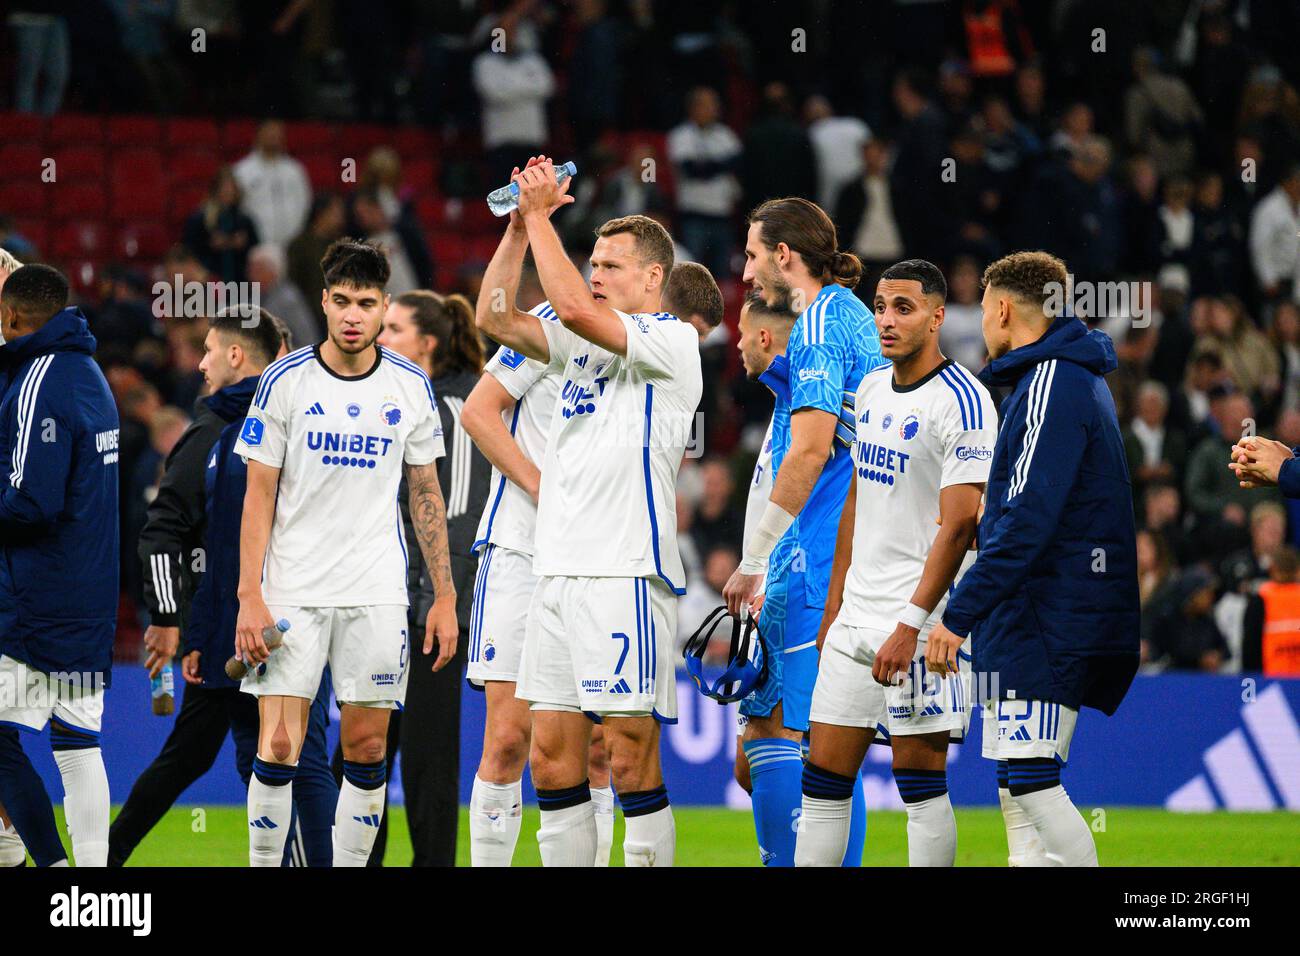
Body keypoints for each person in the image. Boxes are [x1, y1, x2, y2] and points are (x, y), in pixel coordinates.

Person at [475, 156, 715, 866]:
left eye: (612, 265)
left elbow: (577, 307)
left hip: (624, 571)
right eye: (593, 262)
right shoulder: (575, 338)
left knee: (629, 756)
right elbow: (495, 317)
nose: (597, 273)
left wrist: (541, 216)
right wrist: (517, 230)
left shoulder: (672, 341)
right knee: (550, 760)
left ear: (653, 278)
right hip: (555, 571)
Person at [232, 239, 459, 867]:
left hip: (377, 592)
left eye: (366, 303)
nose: (353, 315)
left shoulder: (410, 385)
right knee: (279, 747)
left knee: (367, 749)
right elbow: (258, 495)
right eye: (341, 301)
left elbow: (426, 493)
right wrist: (249, 594)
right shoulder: (284, 380)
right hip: (292, 591)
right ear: (324, 303)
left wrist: (444, 594)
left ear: (384, 306)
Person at [925, 251, 1140, 867]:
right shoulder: (1063, 379)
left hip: (1047, 619)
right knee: (1016, 787)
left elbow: (1027, 520)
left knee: (1034, 783)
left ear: (1001, 309)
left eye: (983, 311)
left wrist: (958, 614)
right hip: (1035, 617)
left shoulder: (1052, 381)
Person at [109, 309, 336, 868]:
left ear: (236, 355)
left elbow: (164, 532)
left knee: (265, 757)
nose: (200, 364)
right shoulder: (250, 428)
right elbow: (176, 536)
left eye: (209, 351)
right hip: (260, 627)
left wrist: (175, 621)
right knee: (282, 756)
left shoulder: (221, 431)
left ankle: (103, 857)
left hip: (263, 629)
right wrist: (181, 623)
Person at [795, 259, 997, 867]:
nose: (887, 320)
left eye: (903, 308)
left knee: (919, 784)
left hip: (921, 625)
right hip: (855, 619)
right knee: (823, 781)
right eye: (881, 307)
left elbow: (959, 526)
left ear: (937, 317)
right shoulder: (871, 389)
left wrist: (911, 626)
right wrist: (833, 608)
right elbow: (857, 498)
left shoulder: (965, 402)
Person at [723, 197, 885, 867]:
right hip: (847, 553)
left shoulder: (818, 321)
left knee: (774, 729)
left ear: (784, 255)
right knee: (817, 739)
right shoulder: (849, 314)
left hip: (812, 558)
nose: (747, 271)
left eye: (753, 254)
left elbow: (813, 449)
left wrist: (753, 559)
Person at [0, 264, 119, 867]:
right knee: (77, 743)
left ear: (10, 317)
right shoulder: (90, 374)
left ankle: (48, 866)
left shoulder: (37, 380)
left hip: (36, 597)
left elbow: (31, 504)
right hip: (90, 595)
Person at [372, 290, 493, 866]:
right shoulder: (398, 401)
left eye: (393, 328)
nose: (381, 337)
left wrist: (437, 606)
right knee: (364, 756)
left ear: (427, 343)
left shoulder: (455, 409)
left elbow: (457, 516)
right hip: (383, 604)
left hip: (428, 615)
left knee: (427, 766)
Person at [233, 120, 312, 249]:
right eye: (269, 132)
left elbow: (305, 204)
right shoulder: (242, 171)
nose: (273, 137)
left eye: (277, 133)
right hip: (257, 246)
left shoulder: (294, 170)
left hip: (291, 245)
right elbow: (239, 208)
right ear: (259, 134)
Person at [182, 166, 259, 284]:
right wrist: (209, 245)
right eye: (224, 187)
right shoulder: (200, 219)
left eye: (231, 188)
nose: (228, 192)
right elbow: (189, 250)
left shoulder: (244, 220)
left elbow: (256, 250)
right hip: (210, 279)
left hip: (240, 280)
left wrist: (243, 245)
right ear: (215, 190)